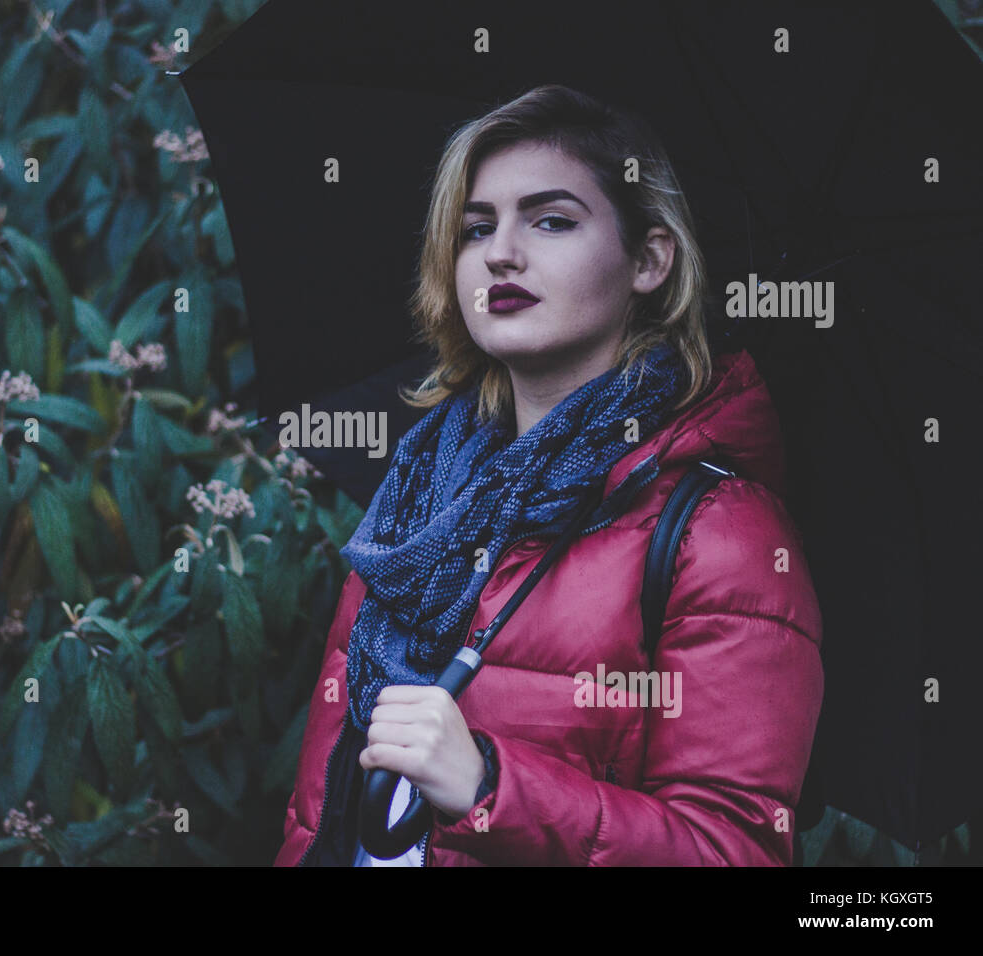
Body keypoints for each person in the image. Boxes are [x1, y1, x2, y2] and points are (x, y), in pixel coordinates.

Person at [273, 85, 824, 866]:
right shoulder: (414, 508)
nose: (500, 251)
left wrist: (491, 788)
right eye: (475, 228)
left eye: (552, 220)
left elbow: (733, 854)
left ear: (649, 260)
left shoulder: (721, 532)